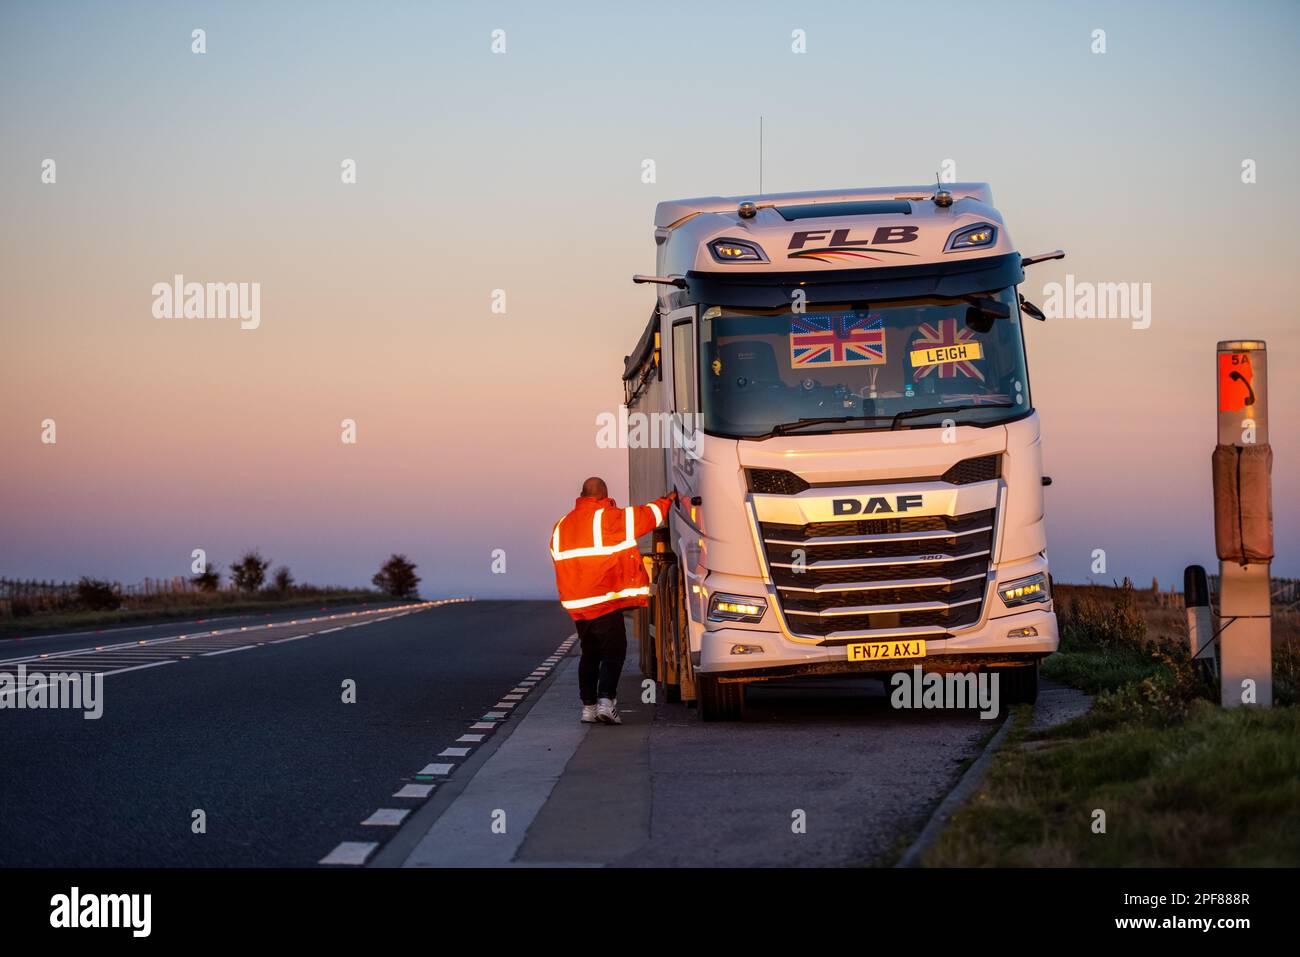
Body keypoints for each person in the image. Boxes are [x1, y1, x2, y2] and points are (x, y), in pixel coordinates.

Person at [549, 477, 675, 724]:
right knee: (614, 651)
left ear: (581, 495)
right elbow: (646, 517)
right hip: (604, 599)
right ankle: (606, 702)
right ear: (604, 496)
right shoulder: (607, 518)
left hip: (578, 605)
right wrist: (667, 500)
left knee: (590, 654)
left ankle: (588, 708)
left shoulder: (561, 525)